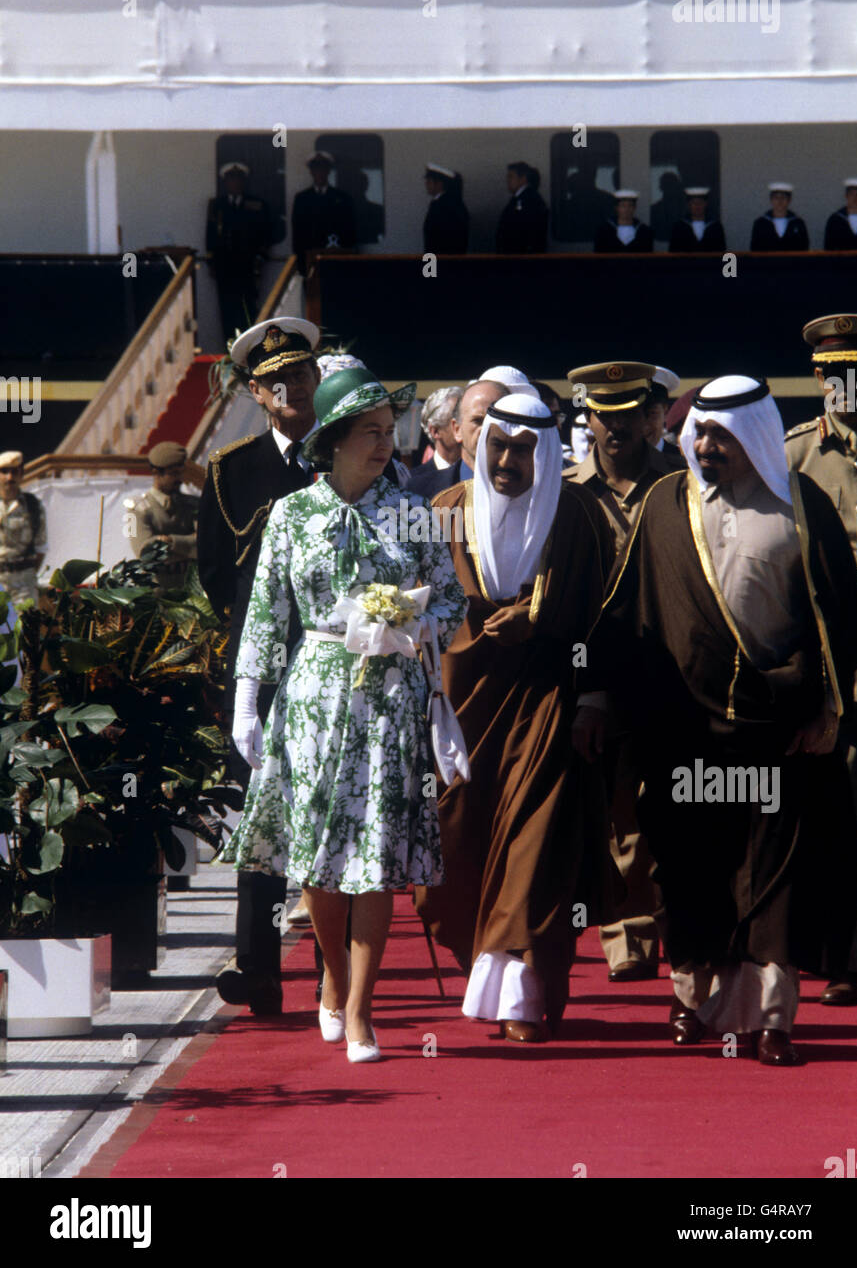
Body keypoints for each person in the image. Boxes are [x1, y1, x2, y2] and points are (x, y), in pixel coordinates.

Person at [576, 376, 857, 1065]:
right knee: (692, 870)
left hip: (778, 731)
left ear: (757, 436)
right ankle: (692, 998)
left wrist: (831, 708)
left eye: (721, 435)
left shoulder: (804, 506)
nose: (705, 446)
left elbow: (844, 621)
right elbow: (621, 614)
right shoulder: (664, 504)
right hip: (683, 732)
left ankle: (772, 1018)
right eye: (698, 433)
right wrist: (594, 697)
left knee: (774, 879)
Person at [228, 366, 468, 1061]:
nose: (383, 445)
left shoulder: (414, 514)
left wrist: (415, 627)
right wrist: (248, 699)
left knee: (378, 855)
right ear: (331, 440)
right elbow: (268, 617)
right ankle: (333, 979)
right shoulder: (291, 517)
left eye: (389, 432)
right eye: (369, 433)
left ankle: (361, 1010)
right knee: (319, 860)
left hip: (390, 700)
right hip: (312, 702)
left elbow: (451, 604)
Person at [414, 393, 616, 1040]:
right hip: (459, 709)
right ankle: (486, 970)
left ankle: (524, 994)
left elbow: (601, 617)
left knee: (535, 845)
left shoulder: (578, 515)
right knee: (457, 839)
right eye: (497, 445)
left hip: (547, 703)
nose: (506, 461)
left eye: (523, 449)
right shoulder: (443, 512)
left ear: (546, 452)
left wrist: (588, 692)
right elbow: (410, 606)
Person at [198, 316, 321, 1015]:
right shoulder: (231, 469)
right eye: (276, 381)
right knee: (261, 821)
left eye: (300, 374)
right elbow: (216, 577)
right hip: (264, 672)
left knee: (330, 813)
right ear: (255, 392)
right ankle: (257, 967)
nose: (291, 387)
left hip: (336, 661)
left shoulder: (345, 455)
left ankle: (339, 969)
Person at [565, 363, 681, 980]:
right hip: (592, 675)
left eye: (627, 415)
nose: (615, 428)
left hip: (670, 673)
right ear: (588, 419)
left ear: (648, 417)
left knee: (670, 808)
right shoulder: (567, 492)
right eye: (602, 416)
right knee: (613, 814)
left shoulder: (682, 484)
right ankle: (628, 936)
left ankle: (675, 928)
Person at [785, 314, 857, 1004]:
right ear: (818, 380)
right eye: (834, 375)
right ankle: (843, 956)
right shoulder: (795, 458)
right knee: (836, 816)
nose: (847, 386)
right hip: (833, 672)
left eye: (856, 372)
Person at [206, 162, 272, 342]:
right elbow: (211, 236)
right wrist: (212, 262)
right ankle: (229, 347)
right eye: (231, 179)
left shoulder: (257, 205)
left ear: (243, 182)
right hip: (224, 267)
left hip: (248, 266)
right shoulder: (216, 205)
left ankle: (249, 348)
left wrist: (261, 258)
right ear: (225, 182)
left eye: (238, 179)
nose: (234, 183)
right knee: (226, 309)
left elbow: (266, 235)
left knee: (248, 308)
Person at [126, 442, 199, 591]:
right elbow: (145, 552)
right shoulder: (136, 510)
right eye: (173, 474)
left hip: (193, 589)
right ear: (156, 473)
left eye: (181, 472)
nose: (179, 479)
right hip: (160, 594)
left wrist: (170, 542)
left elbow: (204, 543)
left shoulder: (193, 505)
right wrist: (188, 549)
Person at [290, 151, 356, 277]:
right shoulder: (302, 199)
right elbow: (297, 232)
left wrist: (345, 254)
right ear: (311, 172)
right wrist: (301, 261)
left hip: (336, 259)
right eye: (316, 169)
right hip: (310, 261)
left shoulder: (342, 198)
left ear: (329, 171)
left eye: (323, 169)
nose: (319, 173)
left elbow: (350, 230)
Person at [0, 451, 46, 610]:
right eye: (4, 471)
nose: (9, 477)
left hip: (24, 583)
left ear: (21, 474)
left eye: (14, 472)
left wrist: (26, 572)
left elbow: (41, 547)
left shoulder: (32, 506)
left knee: (25, 630)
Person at [450, 379, 510, 483]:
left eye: (496, 421)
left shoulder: (532, 491)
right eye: (478, 421)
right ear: (457, 429)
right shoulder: (419, 491)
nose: (485, 430)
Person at [407, 386, 463, 498]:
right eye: (458, 420)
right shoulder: (413, 484)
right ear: (435, 431)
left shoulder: (481, 475)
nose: (466, 425)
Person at [495, 162, 548, 254]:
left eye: (511, 177)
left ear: (523, 179)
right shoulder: (524, 198)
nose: (507, 180)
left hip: (520, 256)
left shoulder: (528, 200)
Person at [422, 164, 469, 255]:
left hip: (444, 261)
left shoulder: (445, 206)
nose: (426, 184)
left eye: (429, 181)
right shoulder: (447, 204)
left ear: (439, 184)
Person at [749, 184, 809, 252]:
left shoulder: (798, 223)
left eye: (783, 197)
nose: (780, 201)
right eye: (776, 198)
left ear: (789, 200)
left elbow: (804, 248)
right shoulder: (760, 223)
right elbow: (754, 249)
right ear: (771, 200)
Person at [669, 189, 727, 254]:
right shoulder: (679, 227)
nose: (697, 206)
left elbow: (721, 251)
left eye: (700, 203)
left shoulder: (716, 227)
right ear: (689, 205)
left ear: (705, 204)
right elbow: (673, 251)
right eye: (694, 203)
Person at [824, 178, 857, 250]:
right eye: (851, 194)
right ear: (846, 196)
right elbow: (828, 247)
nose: (855, 198)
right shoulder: (835, 220)